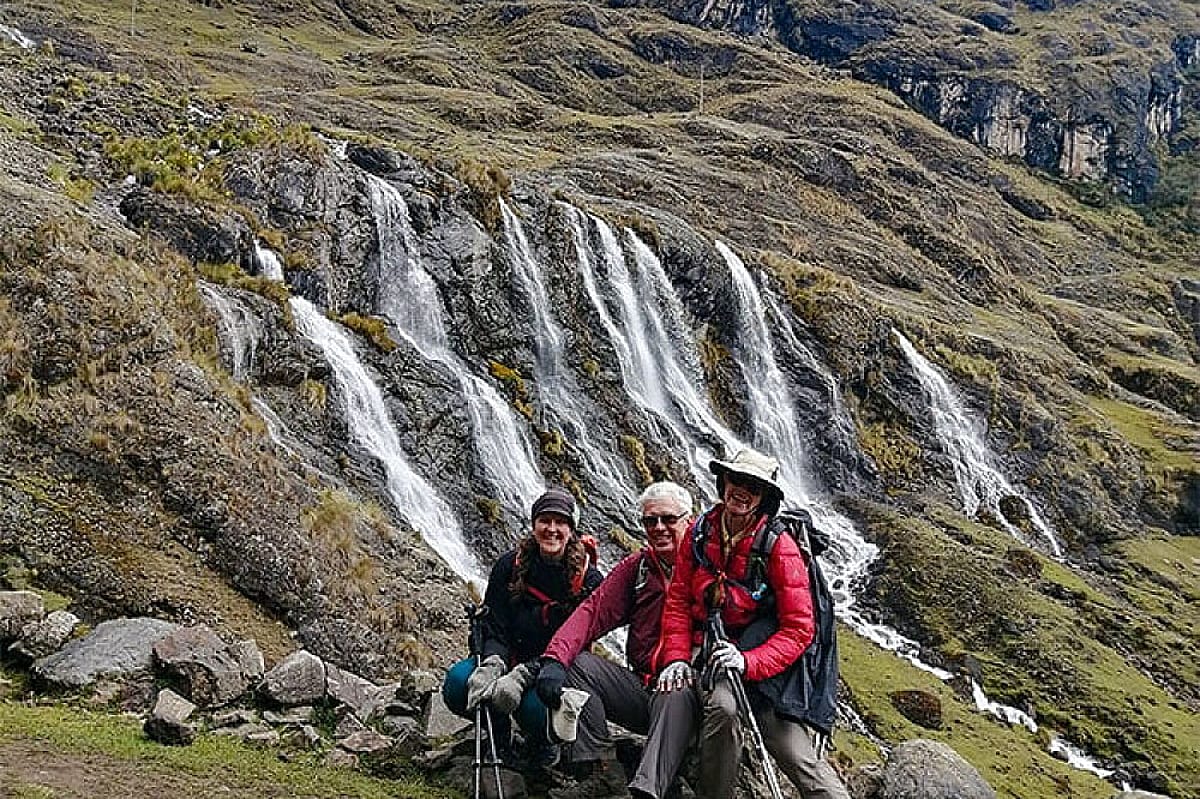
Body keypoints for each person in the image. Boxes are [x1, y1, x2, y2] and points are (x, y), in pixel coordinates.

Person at [655, 448, 850, 799]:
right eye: (736, 480)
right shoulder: (699, 533)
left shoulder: (779, 547)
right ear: (723, 482)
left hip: (768, 671)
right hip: (715, 658)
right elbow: (679, 601)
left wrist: (749, 662)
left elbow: (799, 629)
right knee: (724, 707)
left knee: (800, 759)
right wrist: (676, 658)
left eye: (754, 487)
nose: (742, 491)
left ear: (764, 498)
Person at [533, 481, 698, 798]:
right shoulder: (638, 569)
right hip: (645, 688)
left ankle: (648, 788)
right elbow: (591, 613)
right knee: (577, 664)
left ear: (688, 521)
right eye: (650, 521)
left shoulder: (707, 567)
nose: (659, 528)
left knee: (674, 685)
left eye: (668, 519)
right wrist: (554, 659)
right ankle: (604, 773)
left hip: (695, 694)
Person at [442, 486, 603, 768]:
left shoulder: (588, 581)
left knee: (537, 707)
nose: (551, 529)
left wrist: (523, 675)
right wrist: (493, 662)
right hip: (507, 656)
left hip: (555, 670)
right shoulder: (509, 565)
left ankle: (542, 743)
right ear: (533, 524)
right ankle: (498, 733)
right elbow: (495, 623)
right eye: (544, 521)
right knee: (459, 683)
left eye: (560, 522)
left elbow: (576, 644)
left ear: (572, 530)